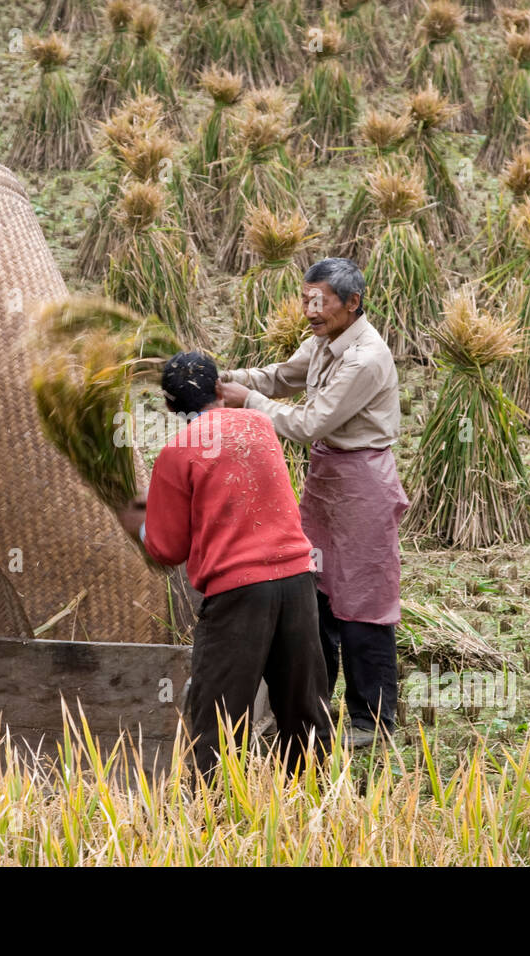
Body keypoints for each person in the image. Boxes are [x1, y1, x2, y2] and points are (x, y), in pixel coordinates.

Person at [217, 257, 409, 748]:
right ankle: (316, 703)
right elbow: (281, 376)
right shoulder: (323, 342)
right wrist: (223, 378)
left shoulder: (365, 357)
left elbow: (307, 424)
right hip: (328, 478)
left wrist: (245, 402)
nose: (310, 311)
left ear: (352, 302)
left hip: (362, 479)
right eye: (306, 300)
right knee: (318, 589)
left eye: (320, 301)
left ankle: (374, 720)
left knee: (363, 599)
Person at [117, 351, 332, 778]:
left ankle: (213, 823)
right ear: (219, 389)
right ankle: (315, 812)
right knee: (304, 712)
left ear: (168, 404)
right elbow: (240, 495)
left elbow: (167, 549)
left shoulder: (177, 452)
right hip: (297, 580)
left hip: (238, 595)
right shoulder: (261, 427)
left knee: (218, 720)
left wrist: (140, 524)